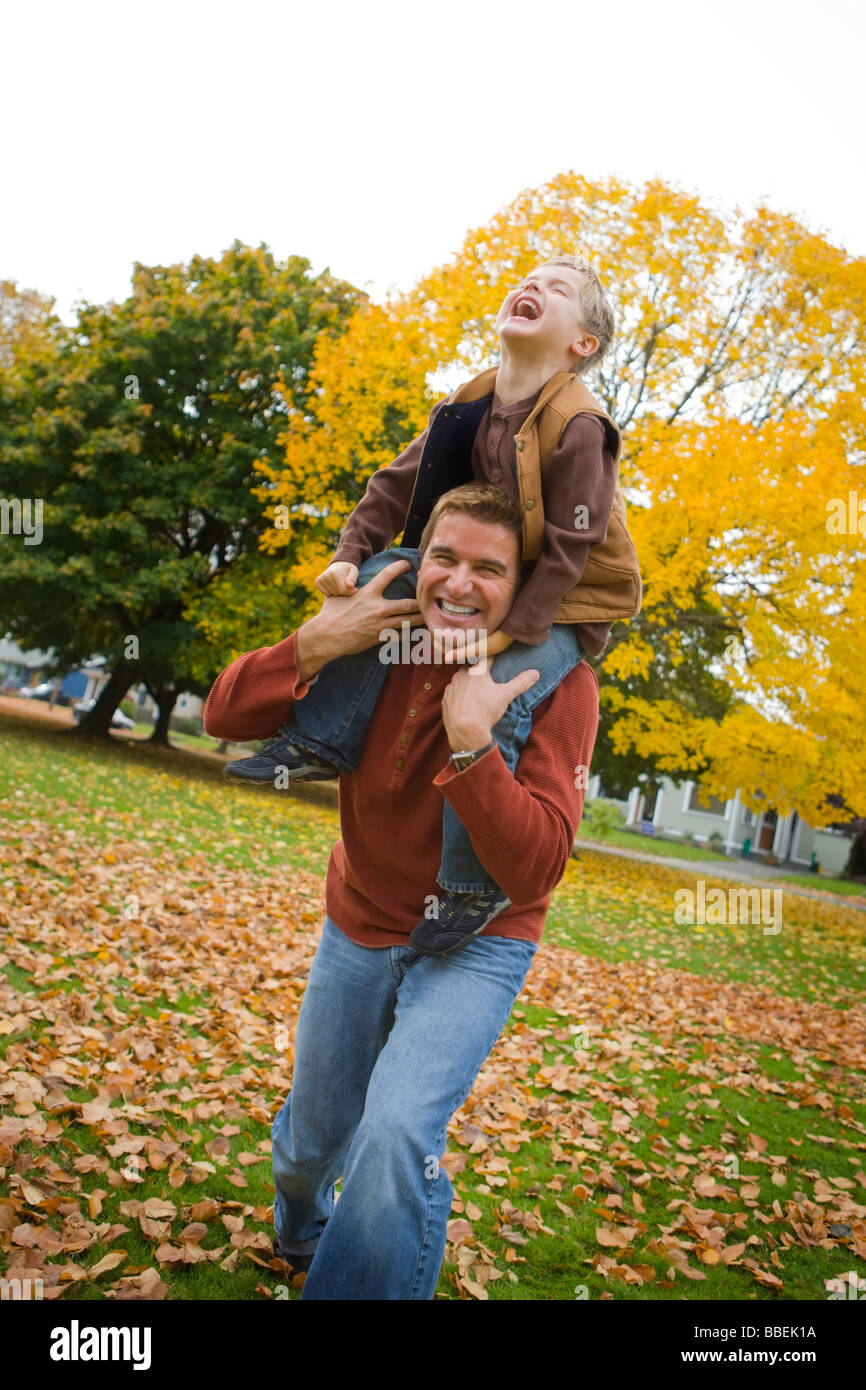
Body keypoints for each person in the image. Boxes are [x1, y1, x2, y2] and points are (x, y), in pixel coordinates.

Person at [203, 484, 601, 1300]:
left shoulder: (556, 683)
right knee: (310, 1147)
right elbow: (225, 717)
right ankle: (301, 1225)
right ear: (420, 560)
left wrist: (472, 743)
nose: (458, 583)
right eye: (444, 558)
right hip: (361, 919)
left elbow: (537, 869)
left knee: (395, 1136)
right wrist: (311, 644)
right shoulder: (371, 633)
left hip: (479, 941)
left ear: (523, 585)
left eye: (489, 569)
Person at [223, 255, 641, 955]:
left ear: (583, 345)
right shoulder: (471, 402)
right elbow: (394, 482)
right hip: (494, 569)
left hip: (567, 599)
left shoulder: (581, 425)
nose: (534, 286)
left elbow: (571, 547)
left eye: (559, 289)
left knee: (495, 694)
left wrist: (505, 637)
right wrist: (349, 557)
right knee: (391, 576)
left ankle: (472, 886)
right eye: (530, 278)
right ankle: (320, 739)